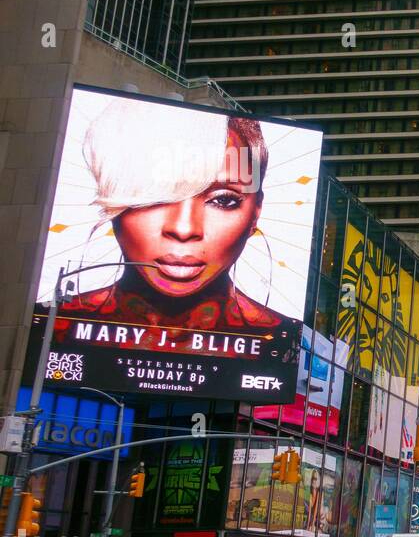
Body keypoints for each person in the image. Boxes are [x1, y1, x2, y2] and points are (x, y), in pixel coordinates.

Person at [50, 104, 295, 358]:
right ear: (112, 199)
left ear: (256, 212)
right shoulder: (50, 326)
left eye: (222, 200)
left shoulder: (281, 341)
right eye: (155, 197)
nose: (183, 229)